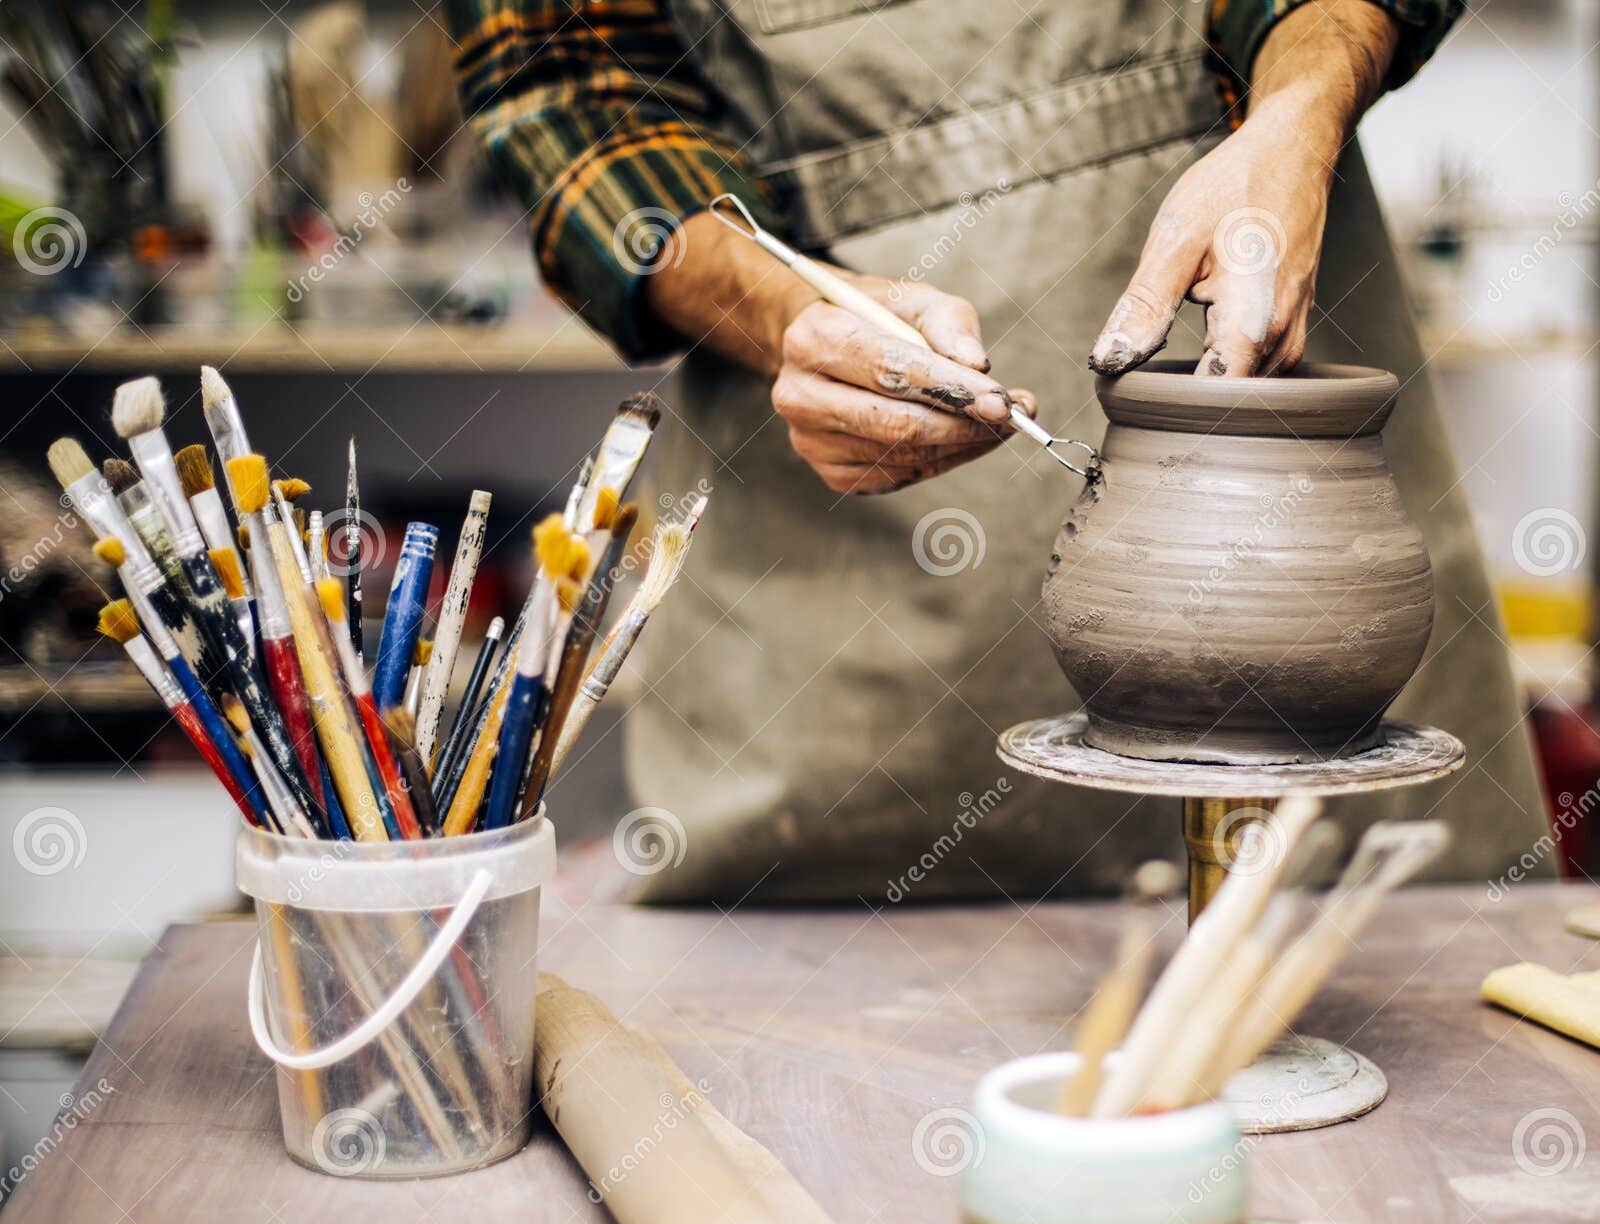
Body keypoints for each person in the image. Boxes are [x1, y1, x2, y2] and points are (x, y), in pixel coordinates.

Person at [445, 0, 1549, 901]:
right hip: (858, 712)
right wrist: (786, 312)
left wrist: (1299, 112)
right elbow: (573, 103)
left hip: (1339, 663)